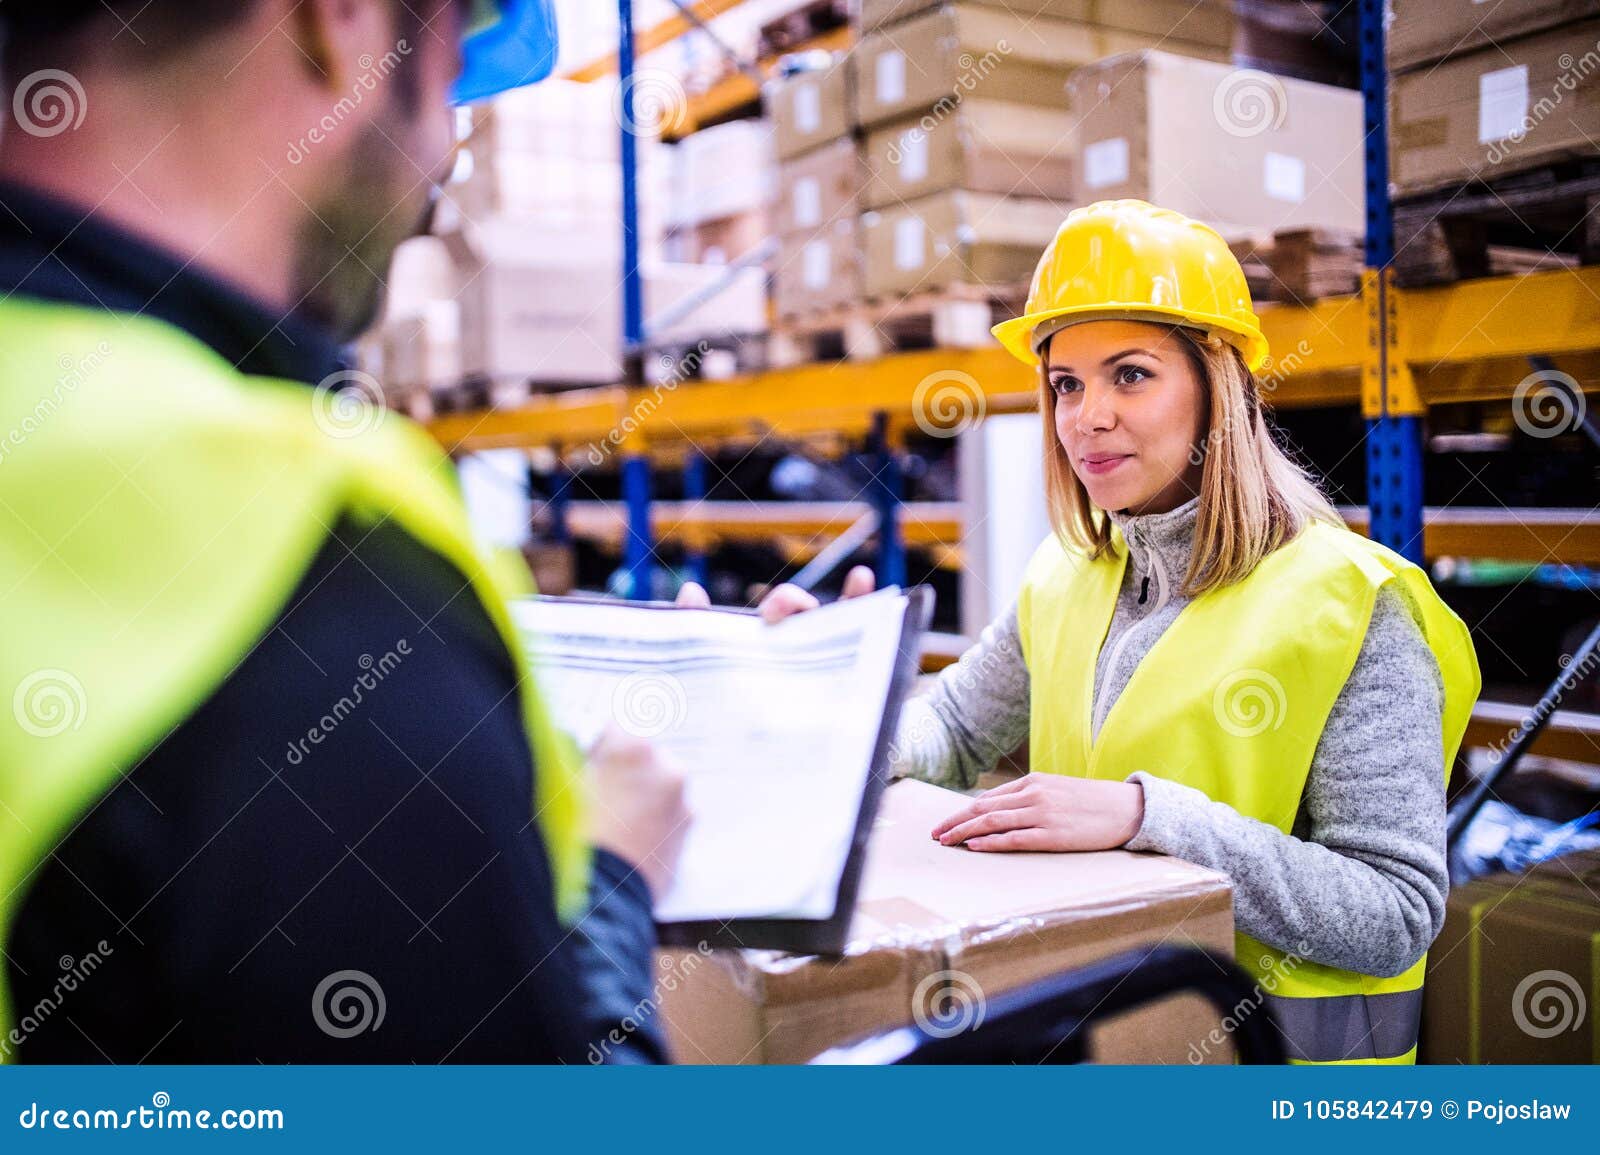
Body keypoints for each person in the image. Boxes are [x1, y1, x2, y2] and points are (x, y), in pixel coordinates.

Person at [0, 0, 688, 1063]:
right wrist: (610, 886)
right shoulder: (320, 595)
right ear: (343, 22)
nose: (445, 146)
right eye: (455, 56)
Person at [753, 200, 1482, 1065]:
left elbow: (1393, 914)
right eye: (1066, 383)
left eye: (1129, 374)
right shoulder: (1068, 576)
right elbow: (947, 731)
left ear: (1219, 386)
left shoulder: (1352, 606)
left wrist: (1149, 814)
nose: (1085, 416)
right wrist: (835, 700)